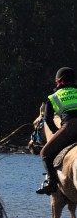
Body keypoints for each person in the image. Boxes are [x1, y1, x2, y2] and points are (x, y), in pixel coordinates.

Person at [35, 67, 77, 195]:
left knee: (45, 152)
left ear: (58, 81)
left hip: (70, 127)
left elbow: (47, 120)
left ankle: (51, 183)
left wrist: (57, 132)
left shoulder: (53, 97)